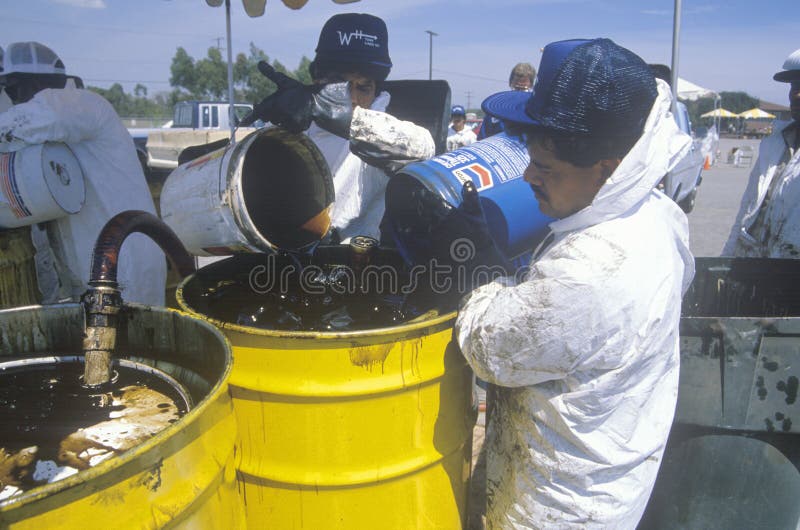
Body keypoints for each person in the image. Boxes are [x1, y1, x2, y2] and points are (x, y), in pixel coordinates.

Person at [435, 38, 695, 527]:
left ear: (607, 168)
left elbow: (489, 347)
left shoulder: (593, 270)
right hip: (611, 466)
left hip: (558, 507)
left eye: (547, 168)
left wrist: (480, 268)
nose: (530, 175)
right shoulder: (658, 213)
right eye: (531, 158)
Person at [0, 41, 166, 306]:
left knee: (129, 344)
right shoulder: (59, 130)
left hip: (124, 263)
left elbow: (18, 124)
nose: (14, 99)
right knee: (109, 345)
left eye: (13, 88)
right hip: (99, 268)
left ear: (38, 81)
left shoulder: (78, 104)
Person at [247, 13, 434, 243]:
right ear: (317, 80)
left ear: (375, 91)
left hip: (352, 264)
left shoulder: (383, 135)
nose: (352, 98)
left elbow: (424, 148)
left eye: (364, 87)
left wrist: (345, 120)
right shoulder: (292, 123)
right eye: (339, 85)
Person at [722, 47, 800, 258]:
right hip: (758, 265)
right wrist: (728, 259)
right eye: (794, 86)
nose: (797, 94)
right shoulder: (773, 144)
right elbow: (747, 208)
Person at [477, 62, 536, 140]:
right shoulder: (496, 109)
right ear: (510, 83)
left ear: (531, 85)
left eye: (523, 89)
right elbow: (482, 138)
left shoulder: (535, 111)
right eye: (516, 88)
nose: (519, 93)